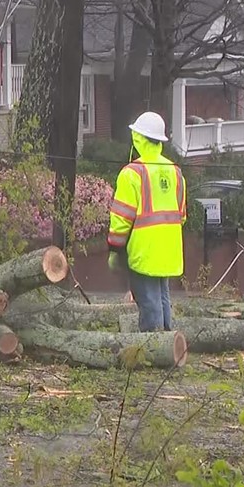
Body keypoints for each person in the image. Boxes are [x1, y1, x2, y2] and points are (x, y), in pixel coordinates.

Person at [107, 111, 187, 332]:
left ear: (138, 139)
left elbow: (121, 218)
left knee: (150, 303)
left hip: (144, 251)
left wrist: (114, 248)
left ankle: (153, 349)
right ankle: (168, 344)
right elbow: (181, 215)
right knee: (162, 299)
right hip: (169, 251)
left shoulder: (132, 174)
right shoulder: (175, 172)